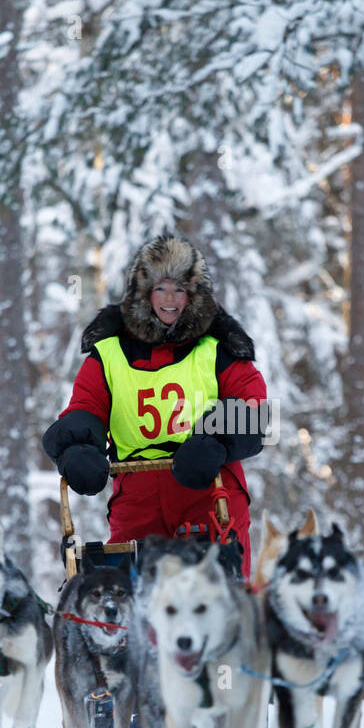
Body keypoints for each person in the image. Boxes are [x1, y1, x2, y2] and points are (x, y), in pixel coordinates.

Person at [42, 234, 267, 577]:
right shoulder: (109, 354)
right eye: (160, 289)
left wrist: (215, 440)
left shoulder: (217, 350)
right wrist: (77, 449)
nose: (170, 300)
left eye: (180, 289)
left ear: (194, 295)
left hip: (208, 492)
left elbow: (257, 411)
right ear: (142, 293)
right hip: (136, 499)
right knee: (129, 611)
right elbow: (85, 407)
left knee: (215, 605)